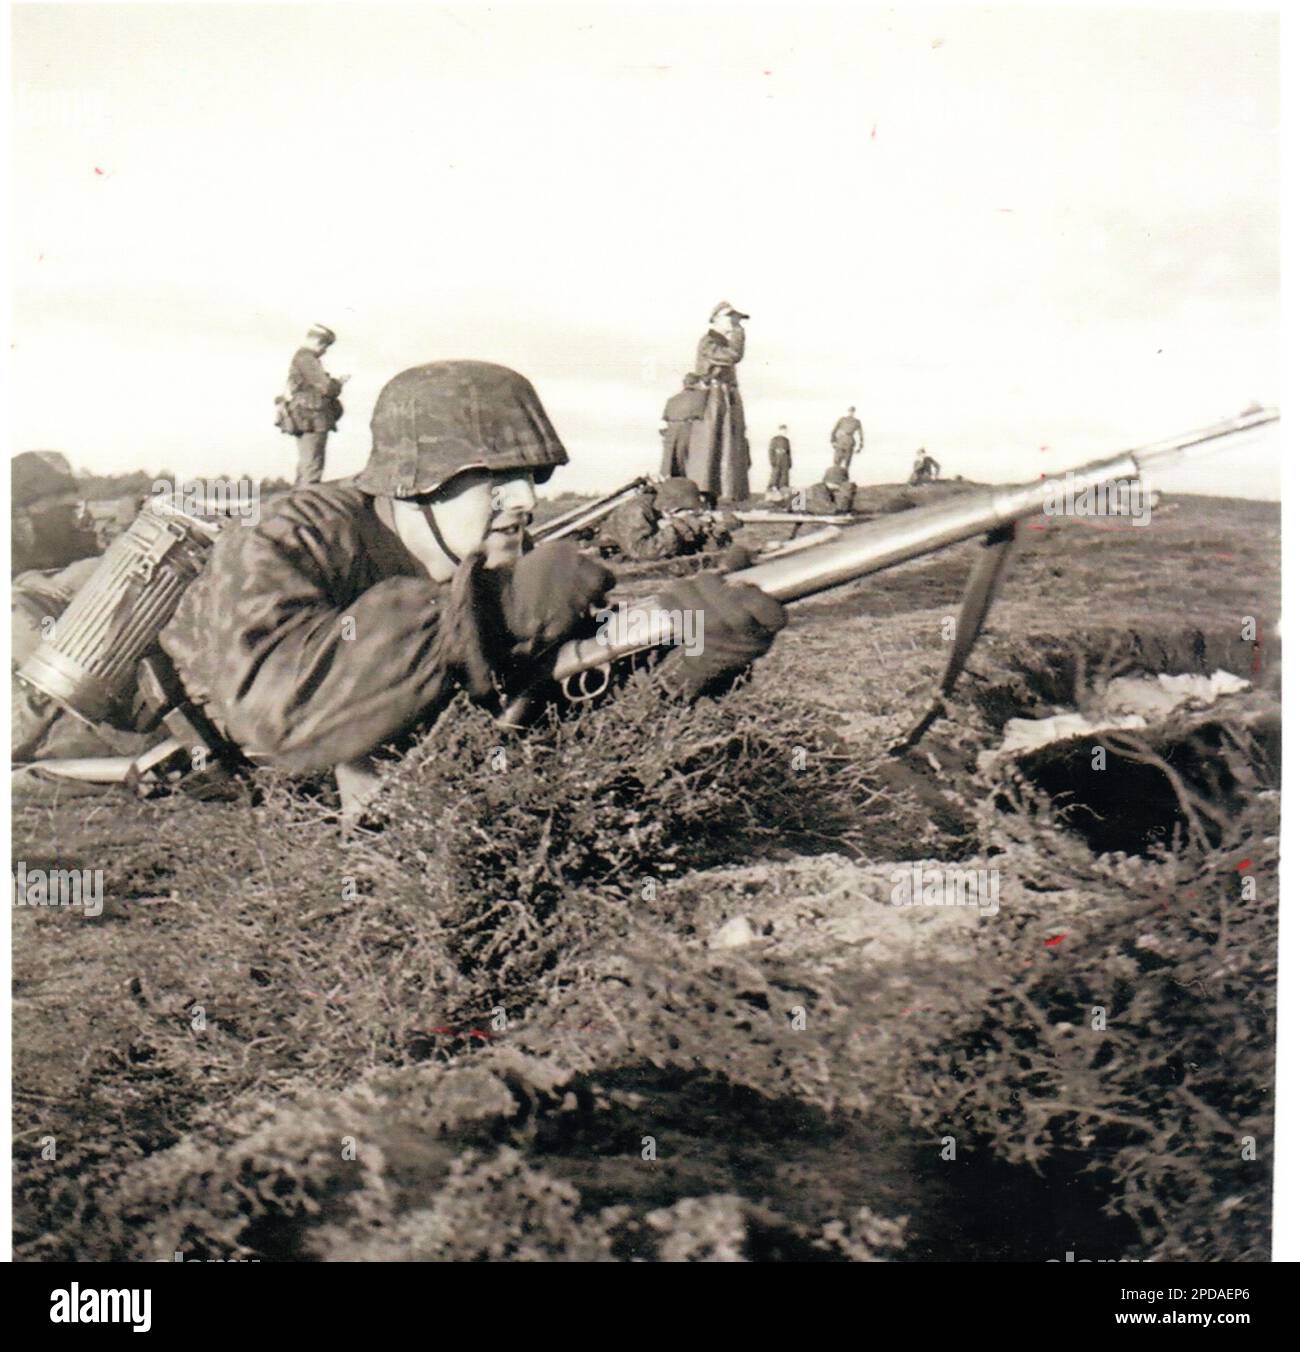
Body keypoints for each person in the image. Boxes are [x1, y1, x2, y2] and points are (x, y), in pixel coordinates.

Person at [161, 361, 785, 811]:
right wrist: (491, 610)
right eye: (497, 478)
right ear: (415, 479)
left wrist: (677, 655)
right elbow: (275, 715)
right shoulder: (290, 535)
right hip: (126, 724)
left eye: (532, 477)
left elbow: (538, 695)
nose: (526, 500)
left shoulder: (487, 554)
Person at [685, 302, 751, 503]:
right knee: (711, 446)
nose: (733, 322)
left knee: (726, 446)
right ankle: (704, 494)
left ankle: (719, 495)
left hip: (724, 396)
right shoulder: (708, 342)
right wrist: (739, 333)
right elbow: (732, 356)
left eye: (735, 318)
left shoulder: (719, 342)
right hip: (713, 398)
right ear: (714, 319)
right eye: (729, 317)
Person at [276, 324, 348, 487]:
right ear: (318, 342)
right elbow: (327, 388)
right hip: (313, 417)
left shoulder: (301, 358)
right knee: (312, 467)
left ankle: (299, 498)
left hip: (304, 417)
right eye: (325, 346)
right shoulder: (307, 358)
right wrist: (338, 383)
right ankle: (306, 501)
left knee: (306, 465)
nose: (324, 351)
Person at [659, 373, 707, 478]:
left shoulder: (672, 400)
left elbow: (665, 421)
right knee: (685, 461)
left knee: (670, 461)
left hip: (671, 431)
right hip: (688, 429)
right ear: (696, 383)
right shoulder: (702, 396)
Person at [830, 406, 864, 471]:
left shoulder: (857, 421)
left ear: (854, 412)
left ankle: (845, 478)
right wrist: (833, 441)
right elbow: (834, 430)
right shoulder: (842, 419)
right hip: (840, 440)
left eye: (852, 411)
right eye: (850, 411)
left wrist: (860, 446)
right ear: (848, 411)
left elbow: (861, 434)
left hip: (850, 441)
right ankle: (836, 477)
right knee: (837, 460)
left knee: (847, 461)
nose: (851, 413)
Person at [768, 425, 792, 492]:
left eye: (785, 430)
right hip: (777, 459)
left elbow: (788, 452)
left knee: (784, 476)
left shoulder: (786, 440)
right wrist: (772, 460)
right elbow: (771, 451)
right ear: (780, 430)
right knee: (775, 475)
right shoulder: (774, 440)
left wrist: (789, 462)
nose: (784, 432)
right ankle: (773, 489)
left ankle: (783, 489)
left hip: (785, 460)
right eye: (783, 430)